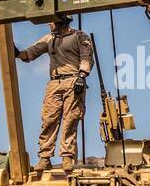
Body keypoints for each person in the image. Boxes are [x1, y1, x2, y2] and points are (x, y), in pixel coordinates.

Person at [15, 14, 93, 174]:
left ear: (61, 21)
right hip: (54, 82)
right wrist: (16, 53)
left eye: (52, 21)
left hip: (73, 80)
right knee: (49, 119)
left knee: (71, 119)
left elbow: (87, 58)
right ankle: (45, 157)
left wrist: (82, 76)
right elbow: (30, 53)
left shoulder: (79, 36)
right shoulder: (48, 39)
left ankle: (67, 156)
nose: (49, 24)